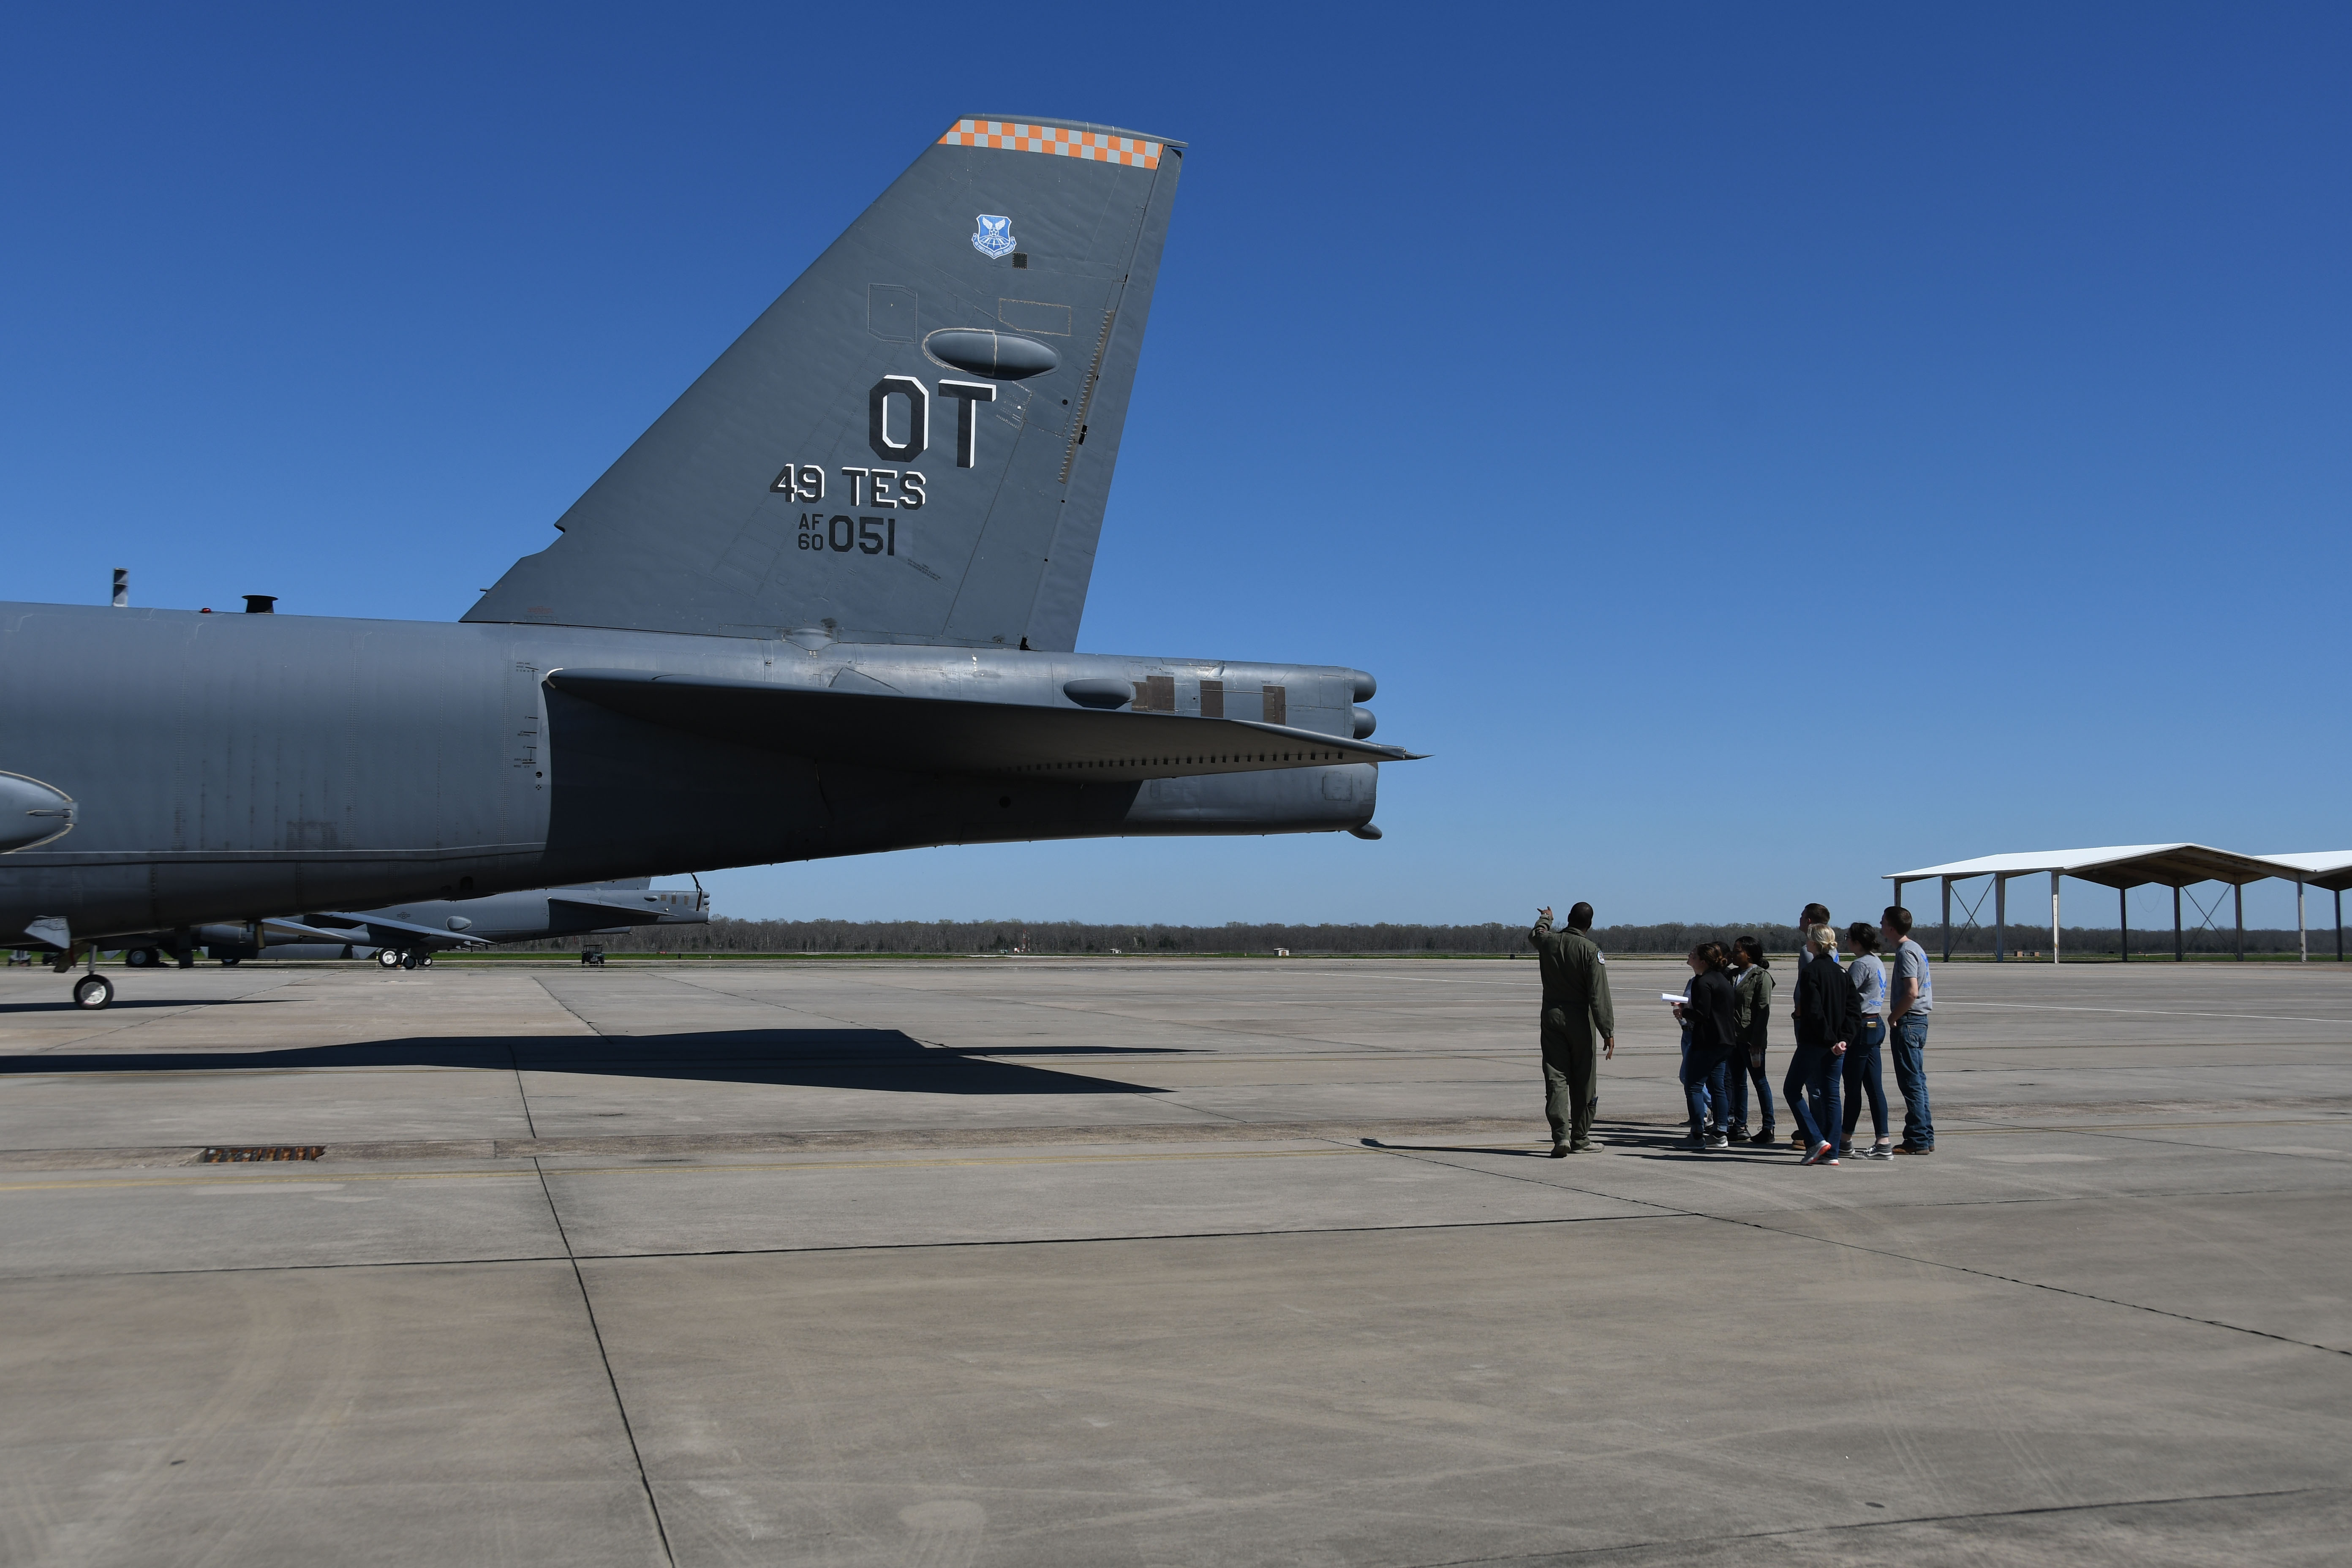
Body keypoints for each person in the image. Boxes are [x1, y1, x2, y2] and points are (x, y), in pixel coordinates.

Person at [1527, 903, 1616, 1155]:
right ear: (1589, 924)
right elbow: (1599, 995)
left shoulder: (1549, 941)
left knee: (1556, 1077)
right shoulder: (1591, 950)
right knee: (1584, 1080)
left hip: (1552, 1017)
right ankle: (1580, 1137)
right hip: (1579, 1019)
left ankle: (1560, 1136)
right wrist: (1607, 1030)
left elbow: (1536, 934)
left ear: (1568, 919)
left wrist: (1546, 918)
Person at [1789, 923, 1855, 1166]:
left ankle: (1816, 1140)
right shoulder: (1842, 972)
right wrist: (1843, 1040)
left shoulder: (1811, 972)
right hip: (1837, 1044)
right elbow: (1853, 1012)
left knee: (1792, 1089)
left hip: (1816, 1043)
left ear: (1814, 943)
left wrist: (1829, 1041)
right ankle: (1833, 1152)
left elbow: (1815, 1012)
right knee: (1832, 1095)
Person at [1673, 942, 1739, 1148]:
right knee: (1718, 1087)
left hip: (1708, 1041)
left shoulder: (1703, 982)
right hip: (1725, 1040)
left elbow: (1703, 1014)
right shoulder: (1721, 979)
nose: (1690, 955)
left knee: (1693, 1086)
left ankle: (1697, 1135)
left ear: (1702, 961)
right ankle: (1720, 1132)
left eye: (1694, 954)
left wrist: (1683, 1011)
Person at [1881, 905, 1936, 1154]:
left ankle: (1917, 1139)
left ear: (1891, 928)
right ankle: (1926, 1135)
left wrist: (1894, 1016)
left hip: (1910, 1021)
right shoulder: (1915, 948)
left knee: (1911, 1082)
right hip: (1919, 1020)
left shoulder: (1905, 952)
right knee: (1918, 1081)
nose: (1880, 926)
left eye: (1883, 923)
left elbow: (1912, 992)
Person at [1840, 922, 1891, 1159]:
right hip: (1875, 1024)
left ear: (1857, 942)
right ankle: (1883, 1142)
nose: (1847, 941)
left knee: (1853, 1089)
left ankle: (1845, 1140)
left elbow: (1846, 997)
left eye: (1848, 937)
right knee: (1874, 1088)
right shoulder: (1876, 961)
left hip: (1861, 1026)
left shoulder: (1860, 964)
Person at [1785, 904, 1834, 1147]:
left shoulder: (1808, 951)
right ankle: (1820, 1126)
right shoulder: (1832, 950)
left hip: (1808, 1020)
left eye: (1803, 916)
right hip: (1825, 1020)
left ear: (1811, 921)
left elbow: (1808, 988)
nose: (1800, 920)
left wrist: (1798, 1014)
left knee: (1811, 1081)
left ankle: (1814, 1129)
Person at [1725, 936, 1777, 1143]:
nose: (1734, 954)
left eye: (1738, 951)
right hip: (1733, 1037)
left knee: (1759, 1081)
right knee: (1738, 1082)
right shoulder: (1732, 975)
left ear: (1750, 954)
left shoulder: (1761, 976)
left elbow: (1763, 1011)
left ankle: (1768, 1126)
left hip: (1751, 1038)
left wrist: (1757, 1040)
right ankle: (1740, 1124)